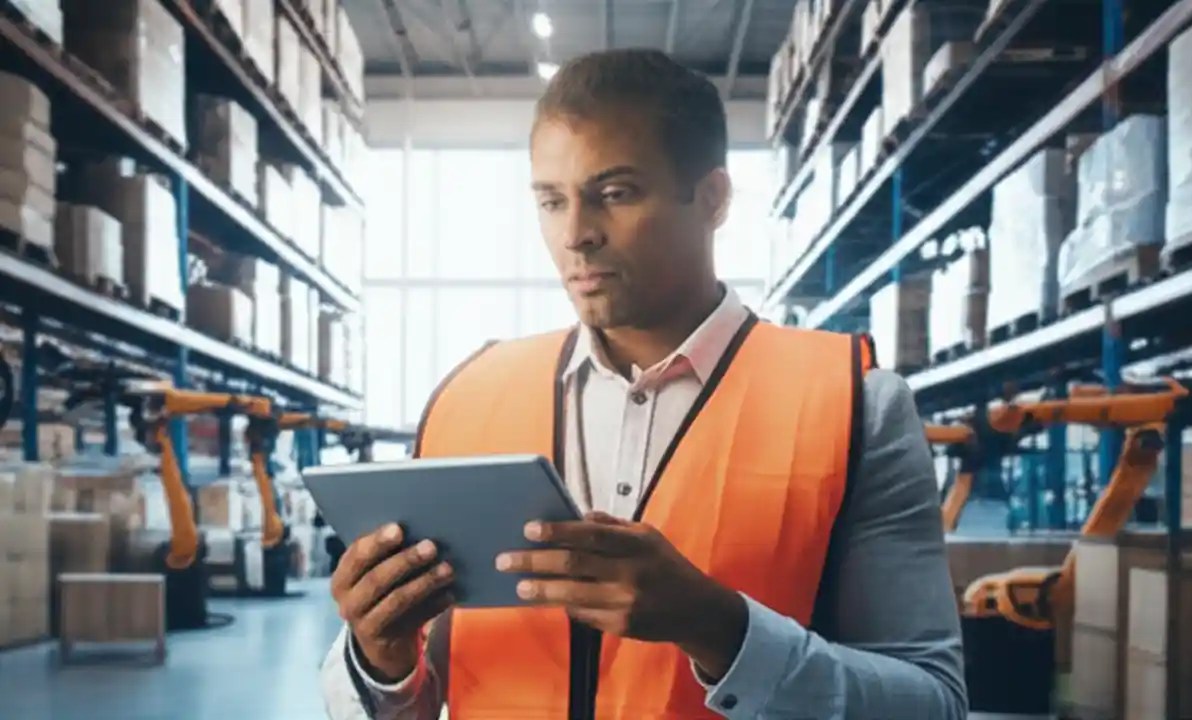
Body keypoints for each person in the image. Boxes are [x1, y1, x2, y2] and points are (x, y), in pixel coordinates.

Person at [320, 48, 965, 719]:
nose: (575, 235)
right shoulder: (468, 400)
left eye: (616, 193)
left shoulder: (855, 408)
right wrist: (381, 662)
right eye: (551, 200)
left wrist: (722, 629)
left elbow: (933, 703)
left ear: (712, 199)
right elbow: (419, 699)